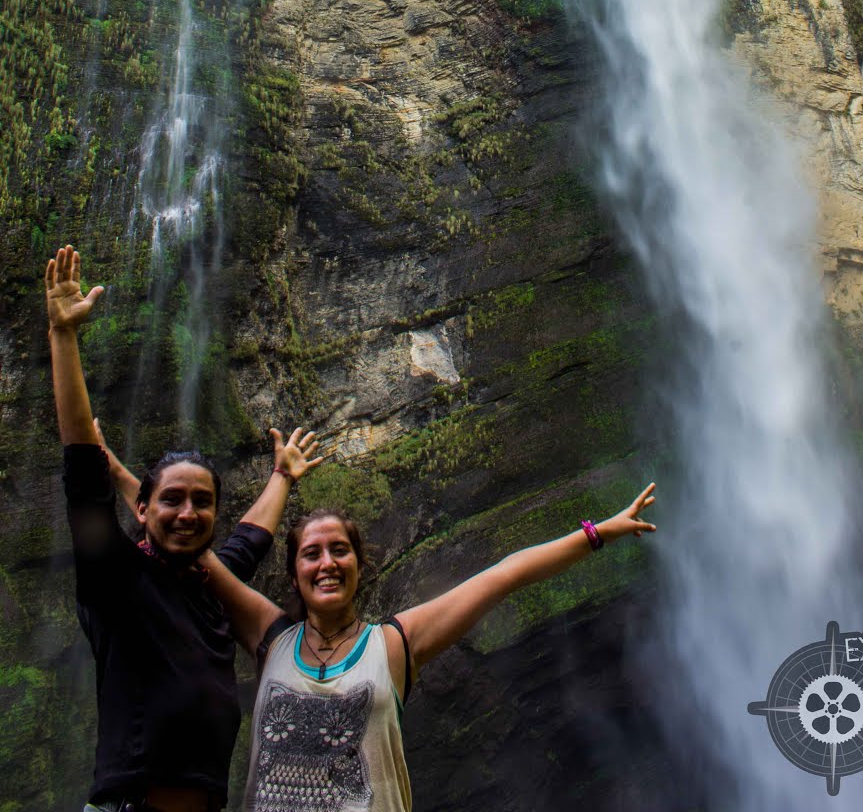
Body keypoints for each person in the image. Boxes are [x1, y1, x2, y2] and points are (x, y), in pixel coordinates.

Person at [44, 242, 323, 812]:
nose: (189, 512)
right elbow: (81, 469)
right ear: (141, 510)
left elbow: (251, 537)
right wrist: (63, 336)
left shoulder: (210, 582)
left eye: (203, 502)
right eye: (172, 499)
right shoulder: (117, 578)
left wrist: (283, 477)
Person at [205, 488, 657, 810]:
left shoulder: (393, 643)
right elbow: (196, 554)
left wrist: (599, 532)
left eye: (340, 550)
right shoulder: (271, 638)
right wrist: (281, 478)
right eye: (312, 553)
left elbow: (505, 575)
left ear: (360, 566)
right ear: (293, 573)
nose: (327, 563)